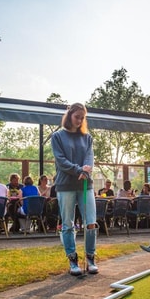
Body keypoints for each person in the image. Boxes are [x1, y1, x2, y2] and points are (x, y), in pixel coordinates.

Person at [51, 102, 98, 276]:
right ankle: (72, 260)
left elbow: (89, 157)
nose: (79, 120)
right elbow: (61, 160)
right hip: (65, 185)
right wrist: (79, 170)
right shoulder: (57, 136)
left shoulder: (87, 138)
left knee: (90, 223)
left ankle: (90, 258)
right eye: (77, 117)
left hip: (85, 184)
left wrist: (85, 171)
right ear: (69, 115)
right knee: (68, 224)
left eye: (82, 118)